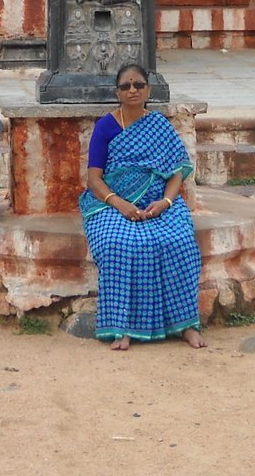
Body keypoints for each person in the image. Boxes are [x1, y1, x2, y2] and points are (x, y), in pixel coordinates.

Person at [80, 62, 205, 351]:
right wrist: (119, 203)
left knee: (180, 242)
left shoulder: (159, 125)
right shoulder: (106, 126)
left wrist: (166, 201)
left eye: (138, 85)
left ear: (148, 90)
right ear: (118, 92)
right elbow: (94, 179)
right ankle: (121, 328)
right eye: (126, 86)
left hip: (160, 202)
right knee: (117, 245)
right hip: (110, 203)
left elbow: (177, 171)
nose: (132, 90)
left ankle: (186, 325)